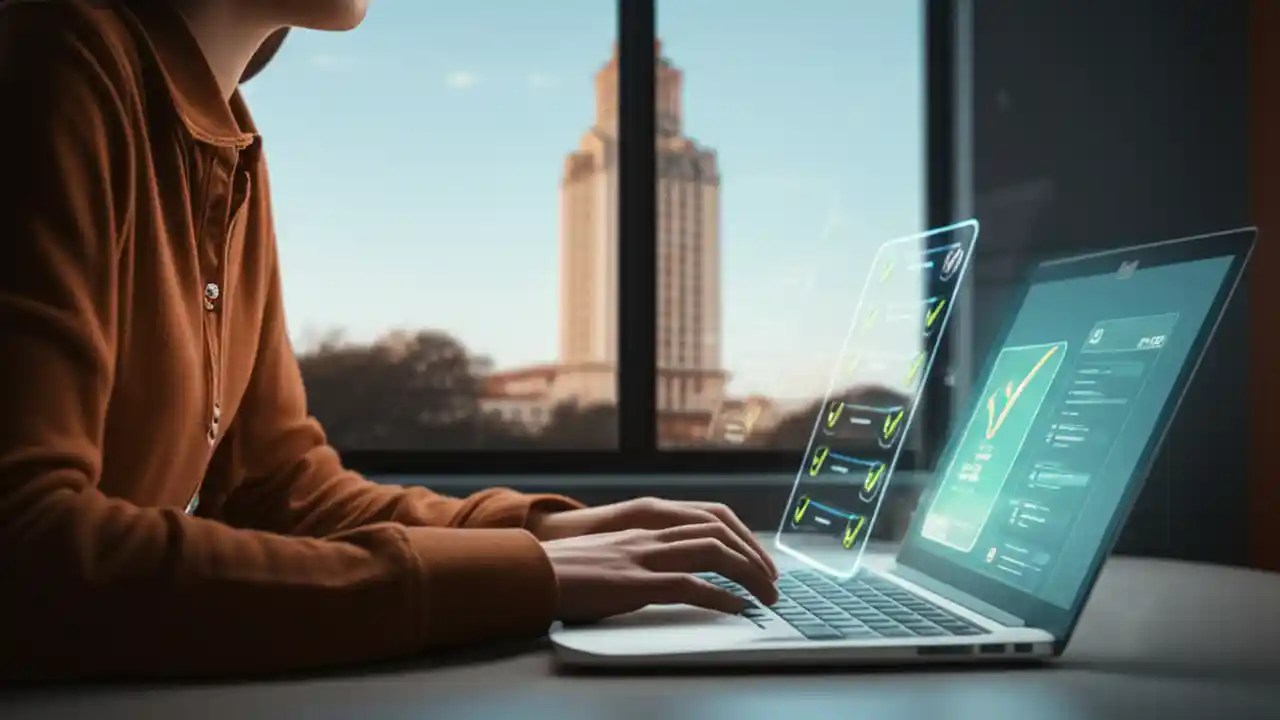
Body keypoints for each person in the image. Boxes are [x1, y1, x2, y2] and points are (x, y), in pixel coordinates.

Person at [0, 0, 778, 682]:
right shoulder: (52, 68)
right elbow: (29, 548)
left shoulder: (229, 138)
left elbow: (279, 490)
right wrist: (524, 574)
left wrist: (537, 530)